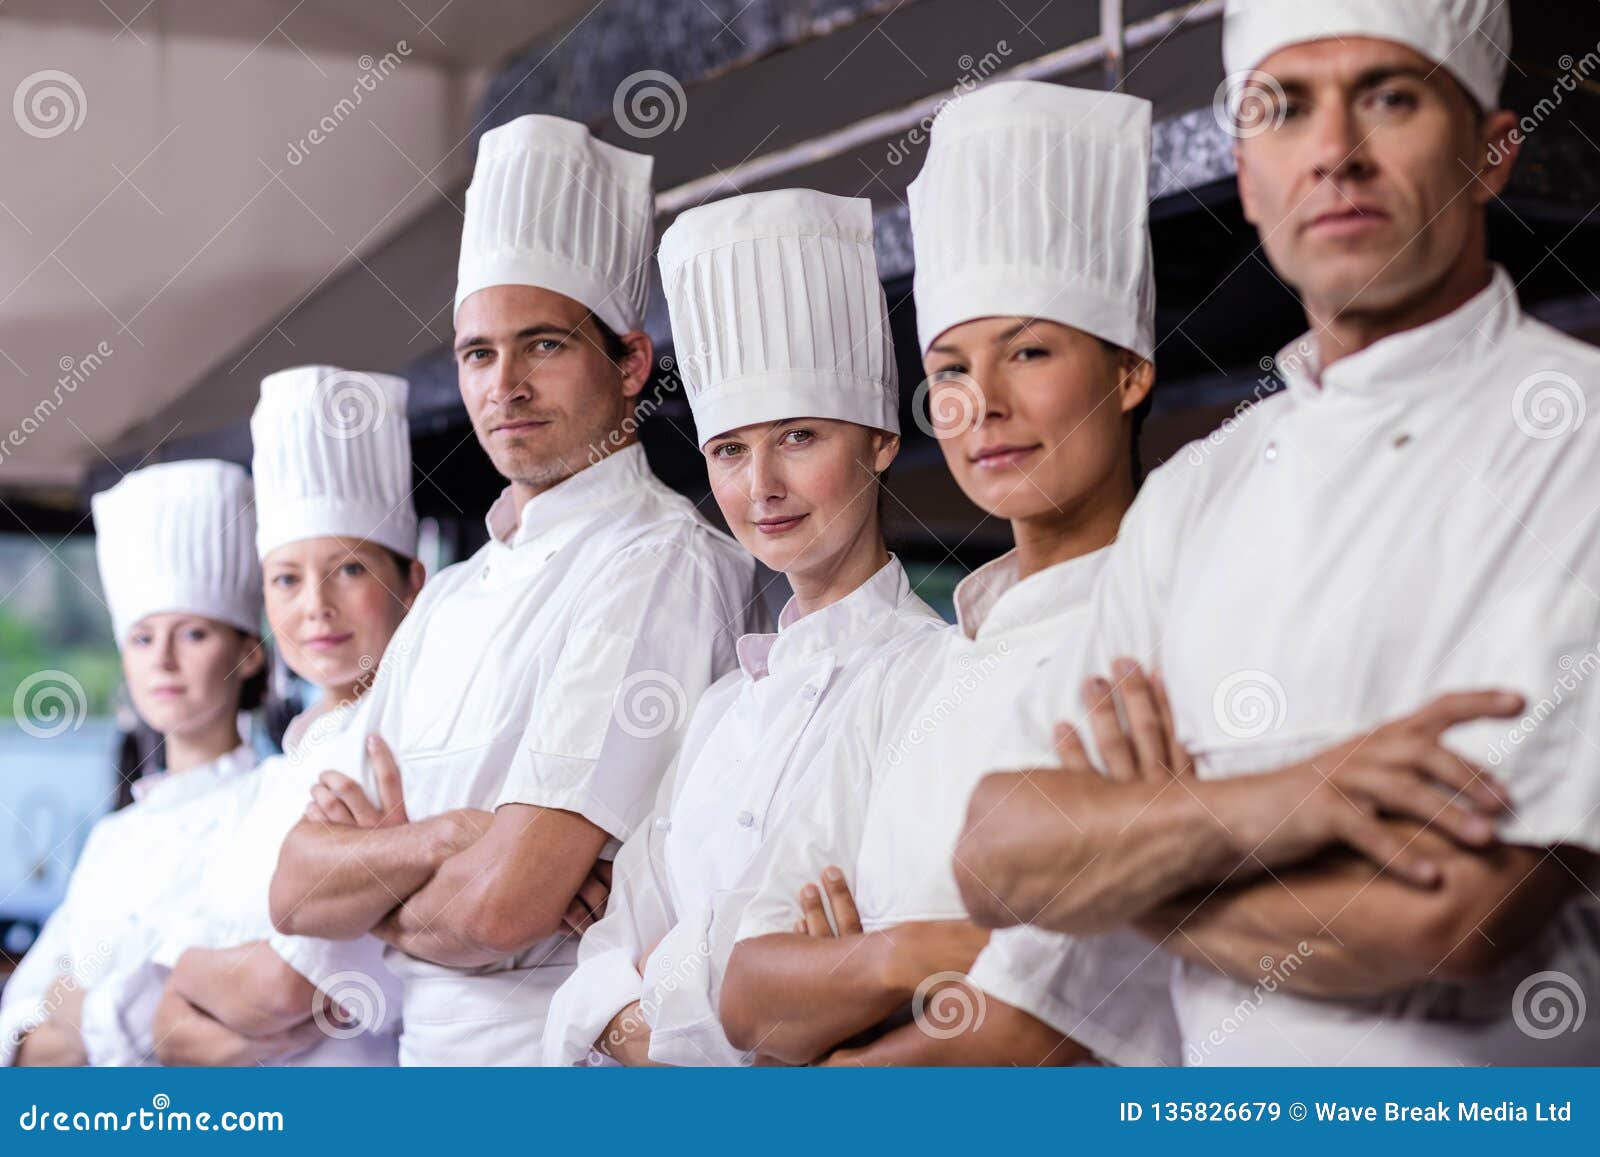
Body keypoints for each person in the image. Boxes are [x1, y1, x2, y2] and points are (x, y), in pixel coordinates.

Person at [956, 0, 1600, 1065]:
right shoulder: (1196, 491)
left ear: (1490, 154)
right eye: (1284, 109)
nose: (1335, 154)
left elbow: (1447, 918)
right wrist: (1301, 795)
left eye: (1388, 98)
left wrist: (1132, 868)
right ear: (1249, 174)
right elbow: (993, 852)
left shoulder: (1571, 433)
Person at [265, 114, 765, 1066]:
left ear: (629, 362)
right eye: (479, 354)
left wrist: (380, 902)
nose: (505, 387)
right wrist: (454, 837)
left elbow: (505, 907)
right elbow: (292, 888)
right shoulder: (451, 596)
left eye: (542, 346)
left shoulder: (661, 562)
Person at [718, 82, 1179, 1066]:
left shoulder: (1169, 627)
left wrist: (837, 1044)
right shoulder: (912, 674)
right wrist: (914, 957)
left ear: (1130, 369)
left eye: (1029, 350)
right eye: (953, 369)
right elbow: (746, 995)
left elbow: (1044, 1025)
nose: (984, 404)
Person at [541, 189, 944, 1066]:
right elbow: (594, 972)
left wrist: (655, 1002)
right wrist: (733, 1004)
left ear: (879, 439)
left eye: (798, 436)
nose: (760, 485)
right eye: (729, 449)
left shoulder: (935, 677)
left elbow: (864, 980)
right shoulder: (719, 708)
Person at [139, 366, 426, 1066]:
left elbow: (279, 989)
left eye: (350, 567)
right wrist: (186, 991)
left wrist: (195, 985)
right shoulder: (281, 771)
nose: (315, 606)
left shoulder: (400, 748)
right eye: (287, 578)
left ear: (412, 583)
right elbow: (162, 1019)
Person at [0, 461, 264, 1065]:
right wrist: (78, 1020)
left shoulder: (269, 805)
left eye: (193, 634)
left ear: (248, 652)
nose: (163, 661)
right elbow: (22, 1011)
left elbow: (180, 1029)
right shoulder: (117, 836)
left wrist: (76, 1014)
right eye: (143, 639)